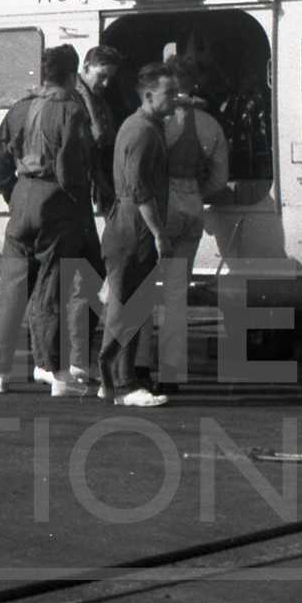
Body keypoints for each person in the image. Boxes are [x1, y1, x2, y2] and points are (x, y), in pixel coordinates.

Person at [0, 45, 93, 395]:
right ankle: (56, 371)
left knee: (12, 289)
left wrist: (13, 195)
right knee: (52, 289)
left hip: (21, 197)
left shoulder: (19, 108)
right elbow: (71, 168)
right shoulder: (72, 111)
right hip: (56, 202)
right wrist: (76, 199)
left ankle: (0, 374)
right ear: (72, 73)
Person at [34, 44, 121, 392]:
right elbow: (81, 151)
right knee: (65, 281)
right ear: (83, 68)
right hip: (73, 199)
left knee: (82, 277)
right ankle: (57, 364)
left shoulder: (88, 99)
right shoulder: (72, 104)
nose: (105, 84)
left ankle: (73, 361)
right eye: (102, 76)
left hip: (81, 195)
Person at [97, 62, 179, 407]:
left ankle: (113, 379)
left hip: (127, 223)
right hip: (135, 227)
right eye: (170, 93)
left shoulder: (141, 125)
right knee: (130, 306)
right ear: (148, 95)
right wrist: (159, 233)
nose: (175, 99)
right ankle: (124, 384)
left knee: (128, 302)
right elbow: (141, 189)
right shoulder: (143, 132)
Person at [156, 61, 231, 383]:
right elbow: (219, 179)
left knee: (143, 286)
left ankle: (140, 363)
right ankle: (173, 365)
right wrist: (197, 193)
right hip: (192, 204)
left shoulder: (157, 121)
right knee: (176, 290)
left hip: (161, 205)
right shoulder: (210, 124)